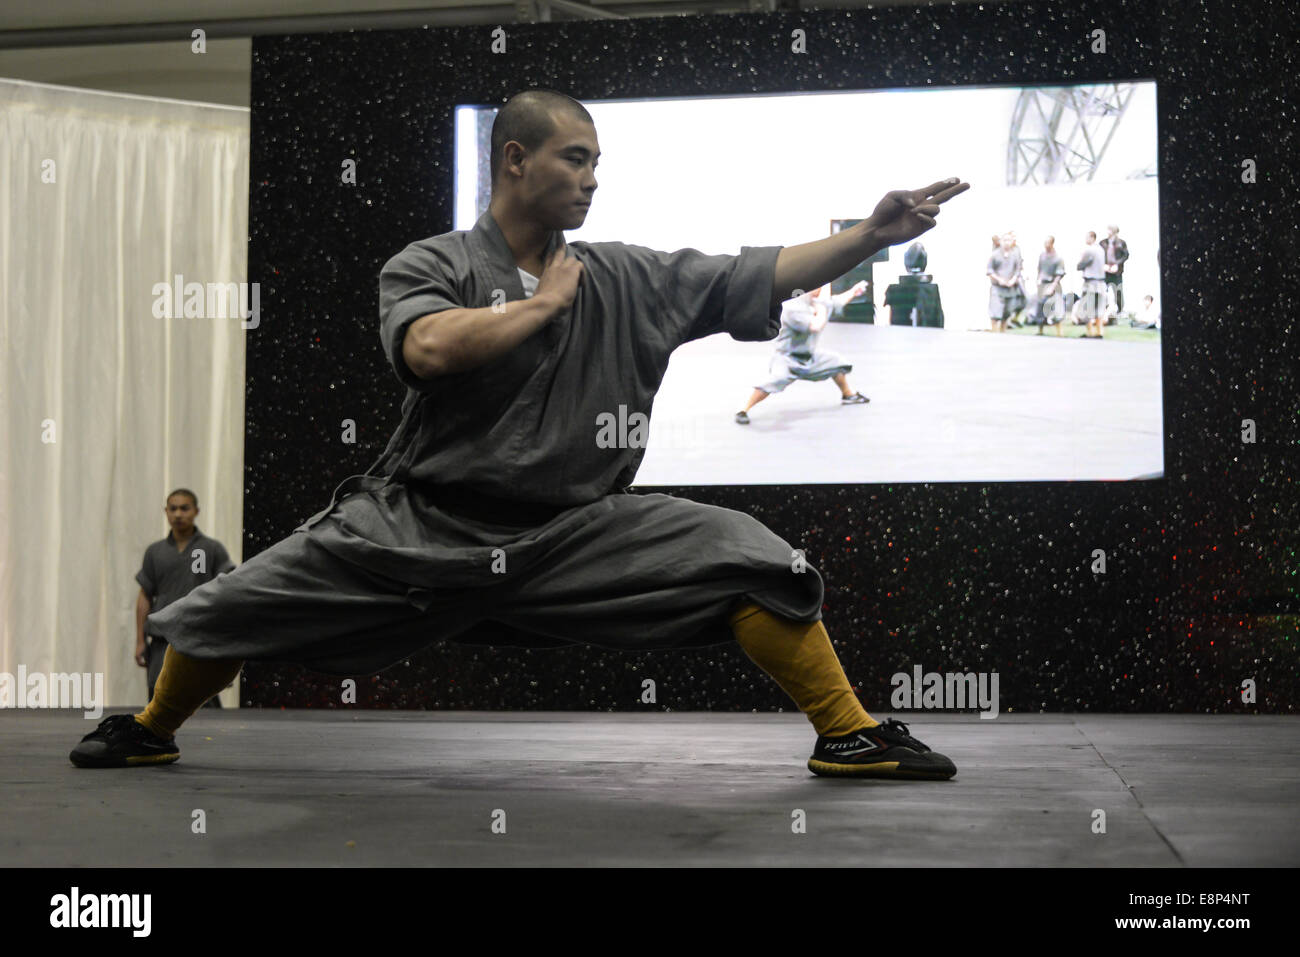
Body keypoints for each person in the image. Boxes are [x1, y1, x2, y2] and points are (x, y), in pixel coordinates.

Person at [71, 89, 970, 780]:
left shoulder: (624, 276)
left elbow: (757, 269)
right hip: (416, 526)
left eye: (596, 163)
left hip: (573, 532)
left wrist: (869, 236)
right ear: (513, 160)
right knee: (229, 604)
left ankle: (847, 734)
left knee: (752, 555)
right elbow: (426, 346)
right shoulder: (432, 263)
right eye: (573, 159)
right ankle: (151, 731)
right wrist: (539, 309)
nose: (590, 177)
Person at [136, 489, 236, 707]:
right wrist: (140, 640)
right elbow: (145, 595)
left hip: (199, 636)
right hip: (162, 638)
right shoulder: (155, 552)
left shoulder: (211, 548)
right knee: (159, 700)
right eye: (173, 509)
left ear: (196, 511)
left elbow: (227, 591)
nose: (178, 514)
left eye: (184, 508)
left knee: (204, 697)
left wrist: (225, 638)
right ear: (166, 512)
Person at [734, 280, 870, 424]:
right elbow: (816, 326)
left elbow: (837, 301)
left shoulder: (816, 302)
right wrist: (823, 306)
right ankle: (743, 410)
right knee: (775, 380)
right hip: (787, 358)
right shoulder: (793, 308)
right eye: (817, 285)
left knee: (837, 362)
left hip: (809, 356)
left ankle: (848, 395)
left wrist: (854, 291)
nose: (820, 289)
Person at [986, 232, 1024, 333]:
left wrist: (1013, 280)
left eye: (1009, 240)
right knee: (995, 313)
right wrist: (999, 280)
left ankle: (1003, 334)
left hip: (1010, 288)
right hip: (997, 288)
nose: (1007, 243)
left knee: (1006, 314)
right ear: (1001, 241)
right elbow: (989, 271)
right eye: (1005, 240)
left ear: (1012, 242)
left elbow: (1018, 270)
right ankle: (994, 333)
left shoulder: (1015, 255)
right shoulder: (994, 255)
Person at [1077, 230, 1108, 339]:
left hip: (1090, 282)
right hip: (1101, 282)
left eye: (1087, 237)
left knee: (1087, 308)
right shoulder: (1101, 250)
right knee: (1098, 309)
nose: (1085, 239)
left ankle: (1090, 332)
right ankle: (1100, 332)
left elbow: (1080, 265)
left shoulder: (1089, 250)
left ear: (1092, 238)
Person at [1034, 235, 1066, 337]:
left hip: (1053, 284)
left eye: (1048, 243)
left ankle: (1059, 333)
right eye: (1045, 243)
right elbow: (1039, 269)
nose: (1046, 245)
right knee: (1040, 308)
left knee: (1056, 309)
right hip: (1042, 284)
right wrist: (1038, 280)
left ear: (1052, 243)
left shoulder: (1058, 258)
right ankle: (1040, 330)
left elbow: (1059, 274)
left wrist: (1053, 286)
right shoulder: (1042, 256)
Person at [1099, 224, 1130, 319]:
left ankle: (1120, 310)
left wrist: (1117, 264)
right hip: (1105, 271)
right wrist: (1103, 264)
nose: (1108, 232)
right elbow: (1099, 255)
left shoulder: (1121, 243)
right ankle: (1102, 310)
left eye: (1109, 230)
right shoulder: (1103, 243)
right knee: (1103, 290)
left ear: (1114, 231)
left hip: (1116, 271)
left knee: (1118, 291)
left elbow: (1126, 255)